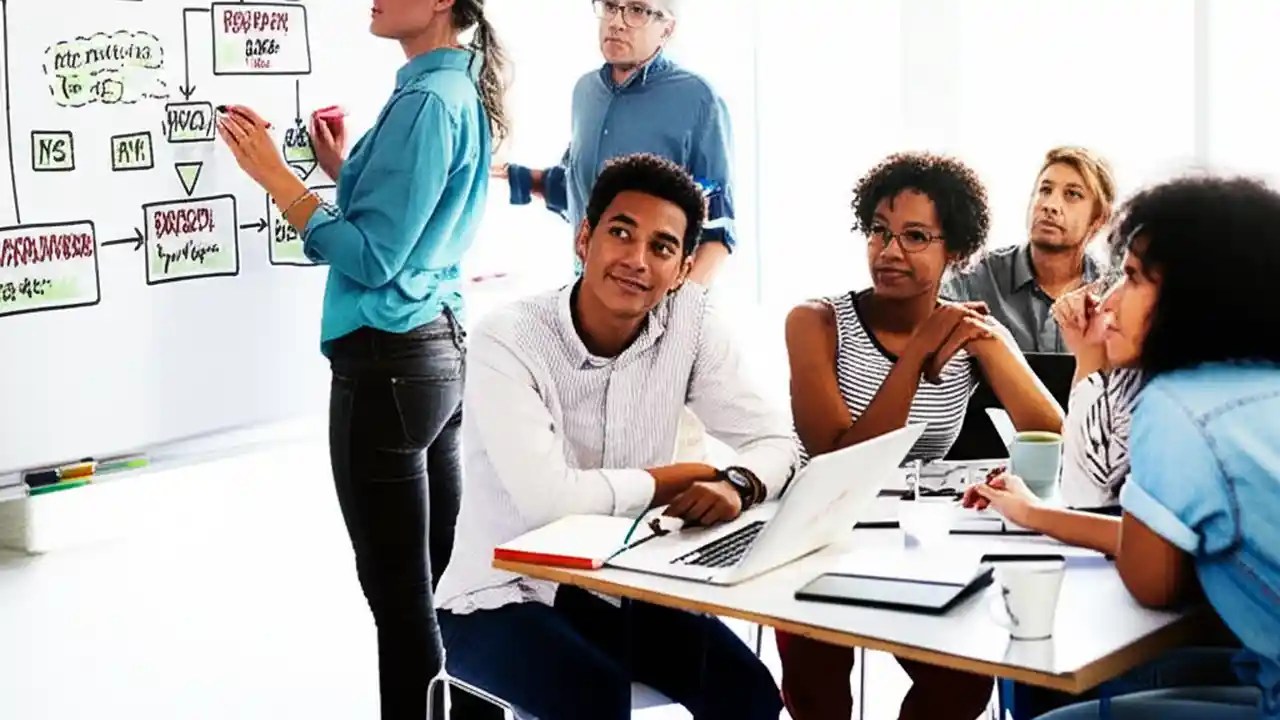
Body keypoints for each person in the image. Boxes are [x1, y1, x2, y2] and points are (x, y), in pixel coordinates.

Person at [214, 2, 508, 719]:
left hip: (389, 367)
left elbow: (374, 259)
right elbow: (410, 223)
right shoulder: (446, 89)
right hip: (433, 358)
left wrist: (278, 179)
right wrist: (343, 171)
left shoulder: (427, 103)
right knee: (445, 594)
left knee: (403, 603)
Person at [434, 154, 797, 720]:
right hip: (497, 595)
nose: (635, 259)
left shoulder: (690, 323)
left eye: (661, 247)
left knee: (748, 695)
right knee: (592, 699)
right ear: (585, 238)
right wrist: (673, 479)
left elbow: (776, 440)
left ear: (681, 270)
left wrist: (739, 483)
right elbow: (548, 502)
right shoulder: (508, 338)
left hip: (622, 583)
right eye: (621, 233)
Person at [964, 175, 1280, 720]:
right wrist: (1037, 514)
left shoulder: (1177, 407)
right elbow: (1158, 546)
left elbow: (1153, 580)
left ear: (1197, 297)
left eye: (1131, 278)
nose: (1107, 300)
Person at [780, 152, 1065, 720]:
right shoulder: (815, 321)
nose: (889, 252)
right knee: (816, 688)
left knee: (962, 683)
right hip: (818, 541)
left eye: (915, 236)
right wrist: (917, 350)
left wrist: (990, 345)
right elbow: (838, 456)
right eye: (879, 232)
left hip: (917, 546)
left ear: (953, 250)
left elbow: (1053, 437)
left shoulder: (967, 330)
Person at [497, 0, 735, 287]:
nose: (617, 22)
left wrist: (677, 313)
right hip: (586, 292)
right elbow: (588, 193)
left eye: (636, 10)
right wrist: (520, 178)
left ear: (667, 29)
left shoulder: (698, 99)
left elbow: (718, 232)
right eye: (610, 6)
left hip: (653, 296)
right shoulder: (585, 91)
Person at [943, 146, 1117, 353]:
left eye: (1072, 194)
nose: (1050, 205)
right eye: (1045, 190)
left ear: (1099, 219)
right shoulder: (976, 276)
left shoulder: (1113, 291)